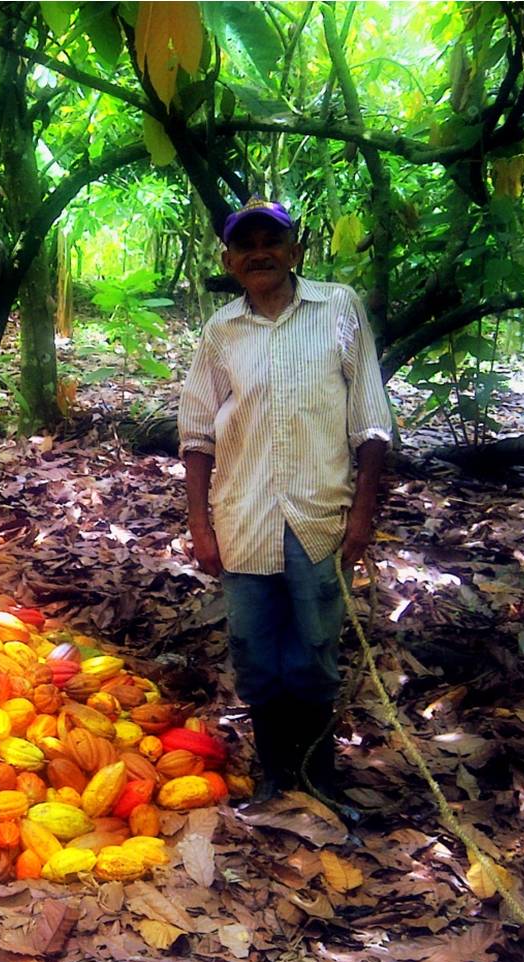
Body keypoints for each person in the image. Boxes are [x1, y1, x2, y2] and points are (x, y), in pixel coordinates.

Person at [177, 199, 391, 808]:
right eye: (246, 246)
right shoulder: (222, 330)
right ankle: (276, 778)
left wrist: (361, 516)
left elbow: (371, 422)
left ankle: (318, 778)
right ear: (230, 261)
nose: (260, 254)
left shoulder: (338, 307)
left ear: (295, 251)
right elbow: (196, 433)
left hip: (319, 515)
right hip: (243, 518)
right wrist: (200, 523)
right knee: (253, 650)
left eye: (272, 241)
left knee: (316, 652)